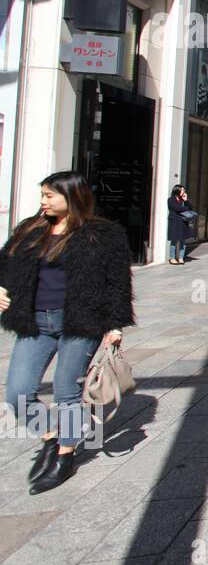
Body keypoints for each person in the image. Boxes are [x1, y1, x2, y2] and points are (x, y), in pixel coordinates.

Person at [0, 171, 134, 495]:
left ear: (71, 197)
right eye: (42, 195)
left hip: (80, 322)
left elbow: (117, 281)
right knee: (18, 392)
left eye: (49, 195)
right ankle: (51, 435)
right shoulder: (31, 229)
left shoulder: (102, 234)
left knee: (65, 391)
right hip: (35, 322)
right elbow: (5, 263)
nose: (42, 201)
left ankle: (66, 454)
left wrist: (115, 325)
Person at [166, 185, 193, 265]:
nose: (183, 192)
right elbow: (176, 208)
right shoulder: (170, 200)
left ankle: (181, 257)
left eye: (184, 190)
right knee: (174, 240)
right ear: (177, 191)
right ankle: (172, 258)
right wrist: (185, 208)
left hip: (183, 221)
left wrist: (186, 200)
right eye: (182, 190)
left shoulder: (183, 200)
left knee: (183, 240)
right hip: (174, 222)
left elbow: (190, 207)